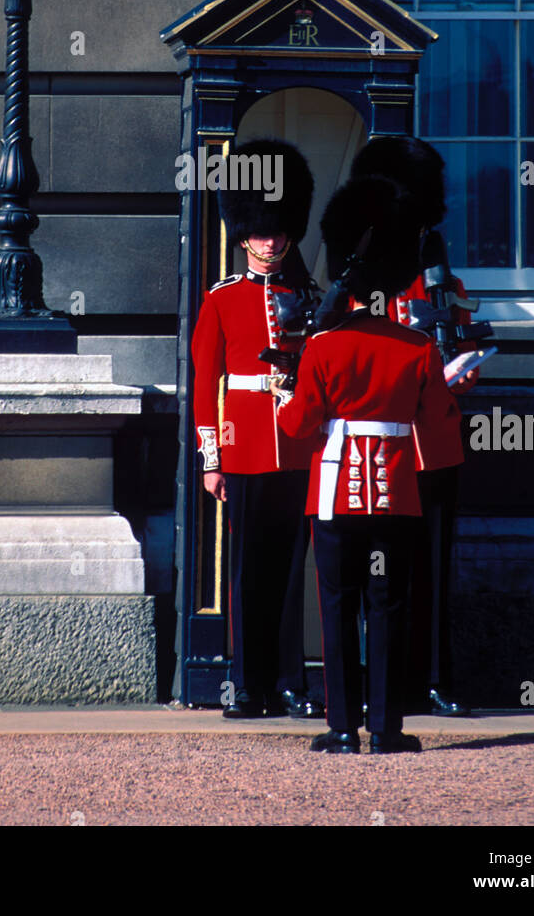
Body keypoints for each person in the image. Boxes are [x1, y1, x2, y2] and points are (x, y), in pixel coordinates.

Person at [274, 174, 464, 754]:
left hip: (334, 497)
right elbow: (438, 426)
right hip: (396, 499)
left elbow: (297, 425)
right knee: (387, 608)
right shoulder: (417, 348)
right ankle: (386, 729)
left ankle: (340, 729)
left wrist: (286, 393)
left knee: (336, 609)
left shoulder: (323, 347)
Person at [191, 137, 324, 720]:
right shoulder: (220, 299)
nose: (270, 241)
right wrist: (211, 458)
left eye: (277, 231)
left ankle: (290, 682)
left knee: (294, 569)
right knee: (247, 571)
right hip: (243, 449)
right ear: (243, 234)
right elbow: (205, 383)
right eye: (261, 231)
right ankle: (248, 684)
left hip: (299, 447)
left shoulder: (309, 298)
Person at [350, 135, 477, 717]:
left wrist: (463, 369)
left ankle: (435, 678)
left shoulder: (442, 277)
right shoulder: (366, 278)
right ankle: (384, 681)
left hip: (438, 446)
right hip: (384, 448)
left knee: (433, 564)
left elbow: (471, 340)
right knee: (381, 571)